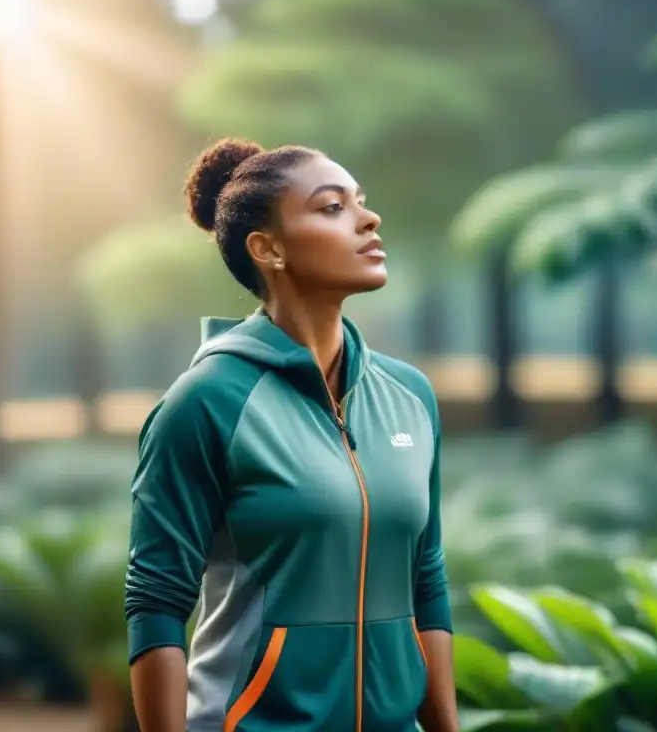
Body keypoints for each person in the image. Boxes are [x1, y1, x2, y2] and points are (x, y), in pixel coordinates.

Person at [124, 138, 459, 732]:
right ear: (268, 248)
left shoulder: (410, 398)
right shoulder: (205, 404)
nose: (369, 218)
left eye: (361, 202)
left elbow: (425, 580)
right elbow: (156, 603)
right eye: (334, 208)